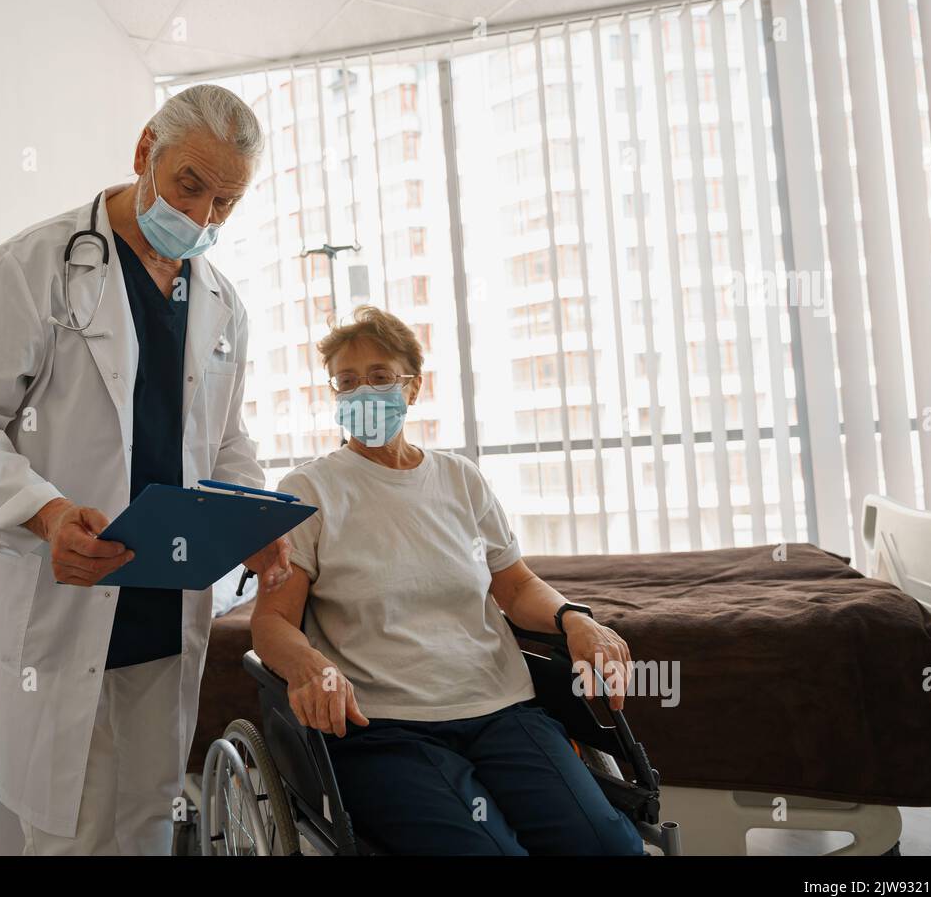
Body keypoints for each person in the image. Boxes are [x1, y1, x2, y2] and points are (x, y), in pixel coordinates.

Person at [0, 84, 291, 855]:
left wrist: (252, 513)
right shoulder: (38, 266)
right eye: (190, 185)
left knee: (149, 818)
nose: (203, 216)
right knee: (70, 833)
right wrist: (45, 512)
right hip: (66, 595)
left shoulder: (221, 303)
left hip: (164, 603)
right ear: (146, 150)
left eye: (227, 202)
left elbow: (222, 439)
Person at [250, 304, 645, 855]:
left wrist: (574, 619)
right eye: (347, 381)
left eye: (380, 376)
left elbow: (517, 588)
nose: (363, 391)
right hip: (384, 728)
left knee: (608, 847)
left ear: (412, 388)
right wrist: (310, 666)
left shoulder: (461, 479)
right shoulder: (309, 490)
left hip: (502, 710)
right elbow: (270, 623)